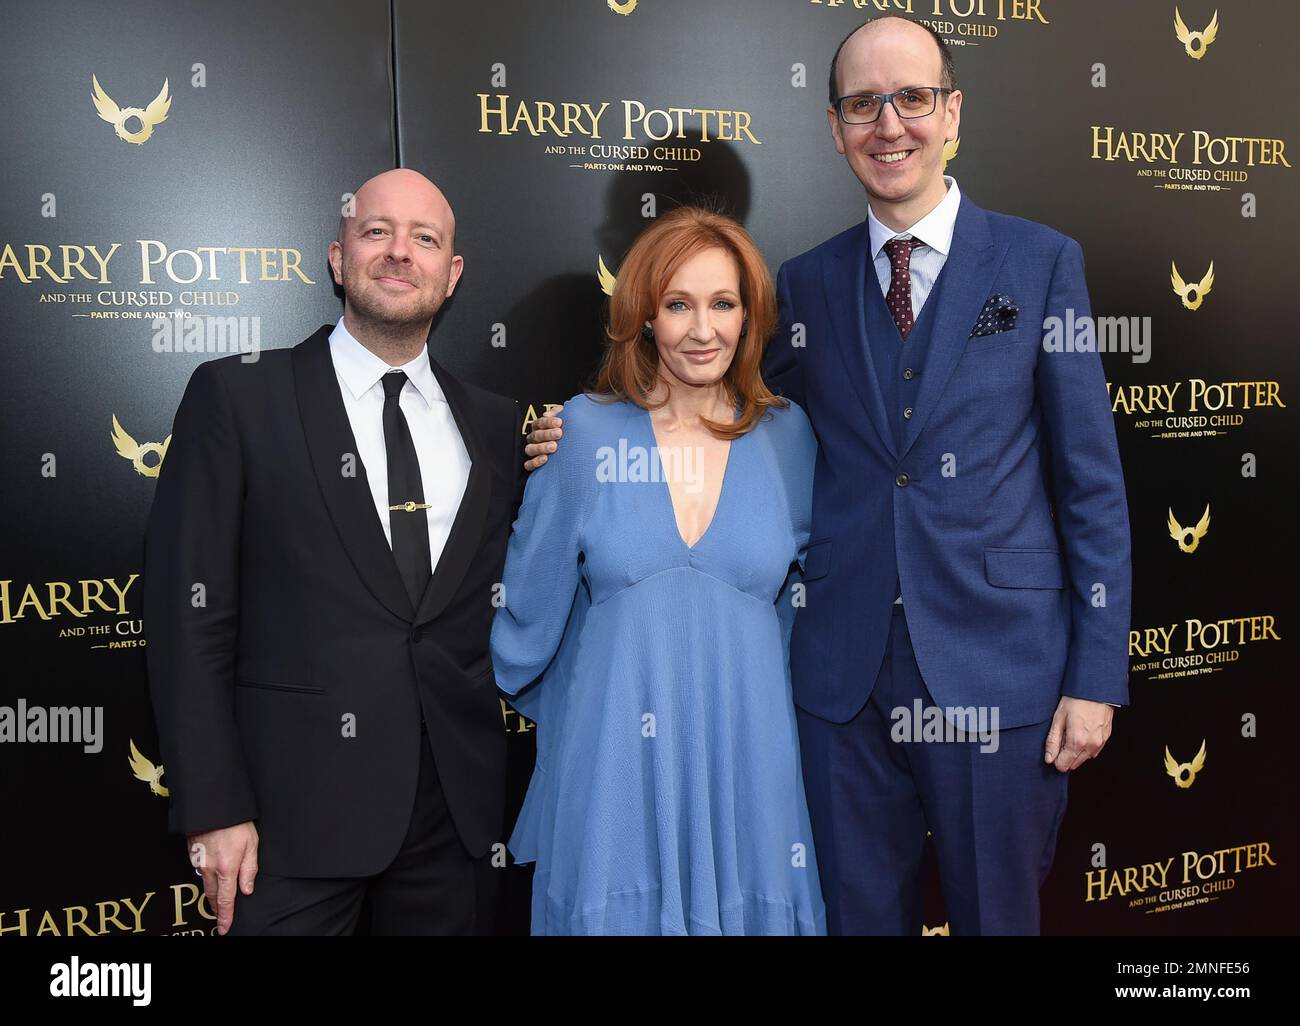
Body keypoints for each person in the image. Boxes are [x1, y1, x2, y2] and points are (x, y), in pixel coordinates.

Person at [525, 17, 1131, 936]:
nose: (889, 125)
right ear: (835, 125)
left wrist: (1096, 677)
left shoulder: (1041, 264)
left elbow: (1091, 483)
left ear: (951, 111)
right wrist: (571, 438)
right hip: (838, 690)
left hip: (997, 679)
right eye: (862, 104)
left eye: (911, 99)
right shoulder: (801, 285)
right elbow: (728, 417)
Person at [144, 168, 522, 935]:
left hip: (453, 823)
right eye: (376, 231)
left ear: (451, 276)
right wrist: (214, 805)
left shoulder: (497, 427)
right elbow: (189, 620)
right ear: (337, 257)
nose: (399, 253)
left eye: (425, 238)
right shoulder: (238, 397)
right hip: (285, 828)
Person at [492, 206, 826, 935]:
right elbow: (528, 610)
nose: (701, 329)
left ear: (750, 316)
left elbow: (805, 613)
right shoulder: (581, 431)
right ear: (644, 316)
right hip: (615, 769)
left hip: (750, 767)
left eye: (722, 303)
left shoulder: (790, 437)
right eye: (678, 304)